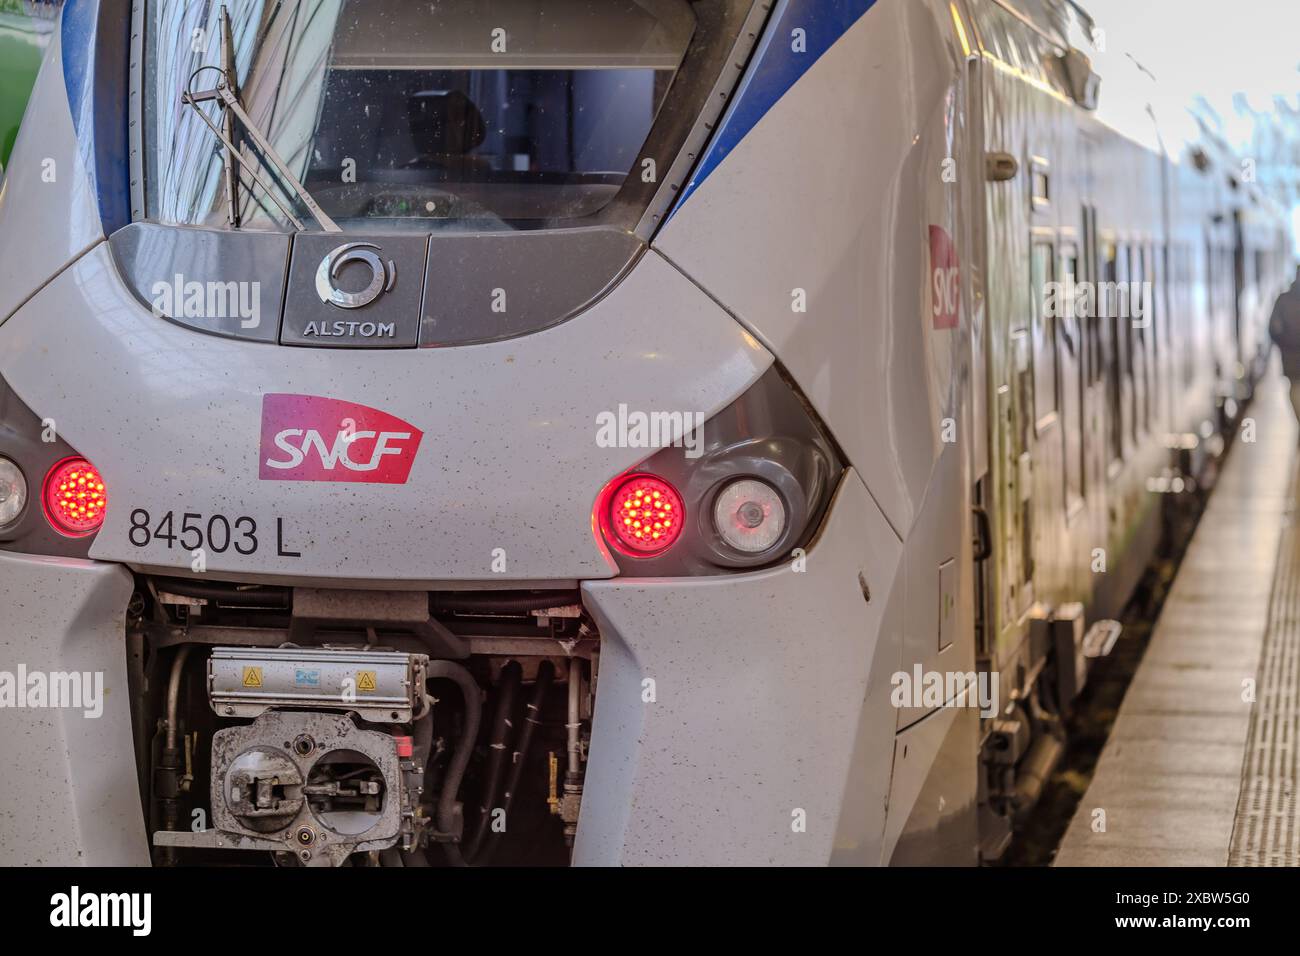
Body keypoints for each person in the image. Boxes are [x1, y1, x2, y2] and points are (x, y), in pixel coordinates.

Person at [1269, 266, 1300, 428]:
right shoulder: (1283, 300)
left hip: (1291, 360)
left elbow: (1273, 330)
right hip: (1292, 360)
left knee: (1295, 392)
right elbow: (1273, 330)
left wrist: (1285, 346)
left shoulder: (1283, 300)